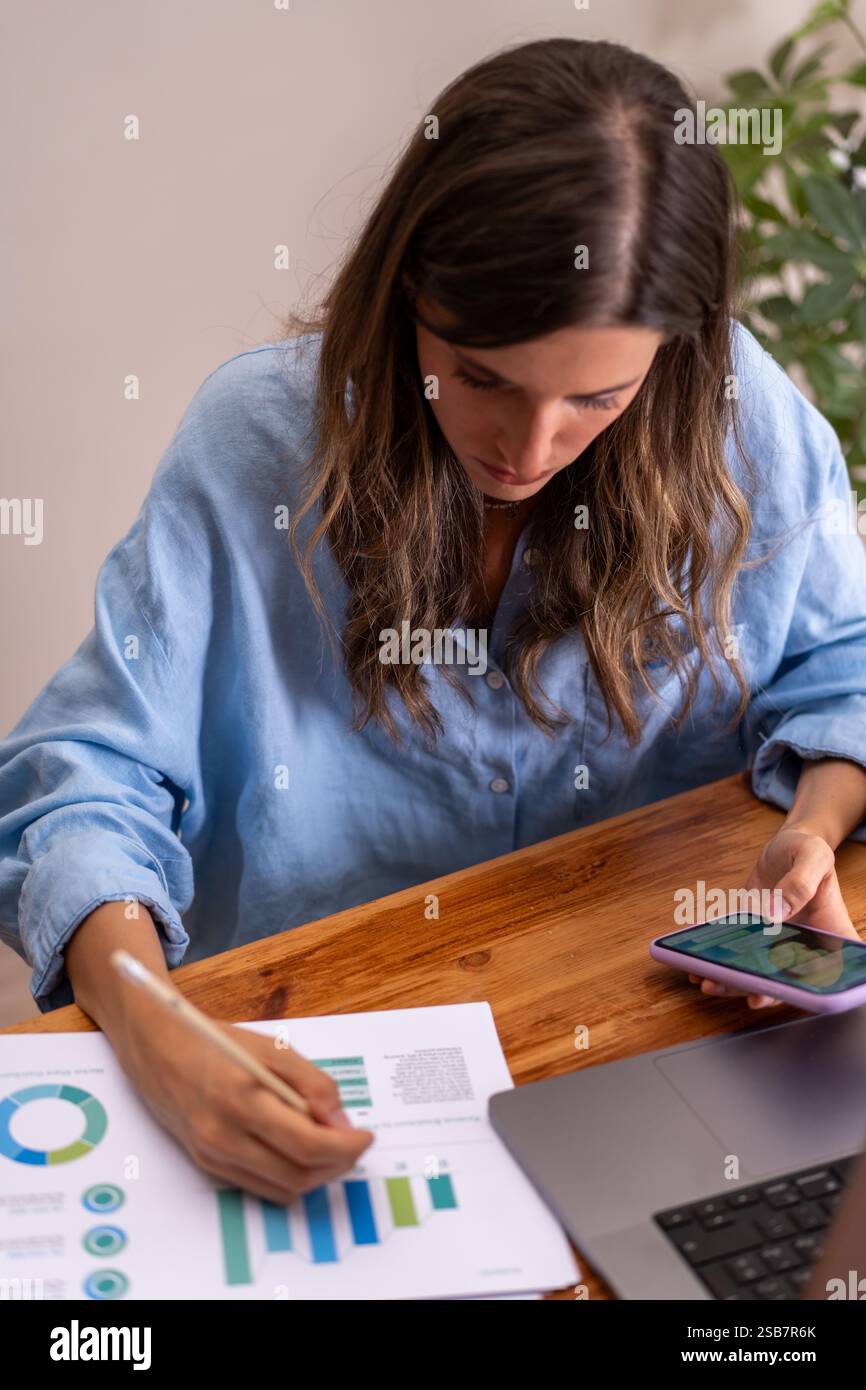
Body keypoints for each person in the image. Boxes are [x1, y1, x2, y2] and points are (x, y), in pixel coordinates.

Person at [2, 37, 866, 1204]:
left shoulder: (738, 421)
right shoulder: (253, 446)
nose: (526, 449)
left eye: (596, 399)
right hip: (314, 1071)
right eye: (480, 376)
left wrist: (810, 831)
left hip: (646, 1049)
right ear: (406, 292)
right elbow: (79, 783)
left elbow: (843, 667)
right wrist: (157, 1028)